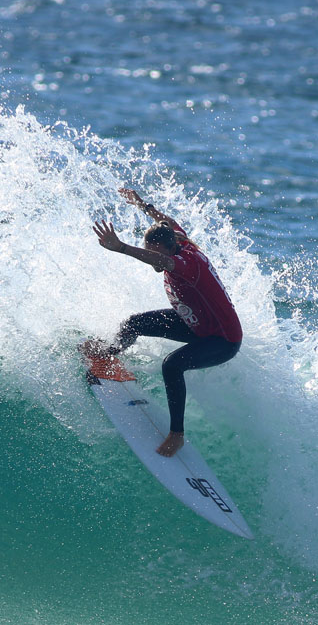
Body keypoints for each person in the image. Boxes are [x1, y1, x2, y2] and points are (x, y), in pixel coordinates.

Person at [88, 188, 242, 457]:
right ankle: (107, 356)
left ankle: (177, 436)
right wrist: (141, 205)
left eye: (154, 253)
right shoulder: (176, 237)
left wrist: (122, 247)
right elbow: (165, 222)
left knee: (172, 366)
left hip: (222, 340)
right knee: (133, 324)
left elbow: (162, 261)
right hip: (194, 323)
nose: (153, 261)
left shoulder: (186, 262)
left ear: (167, 249)